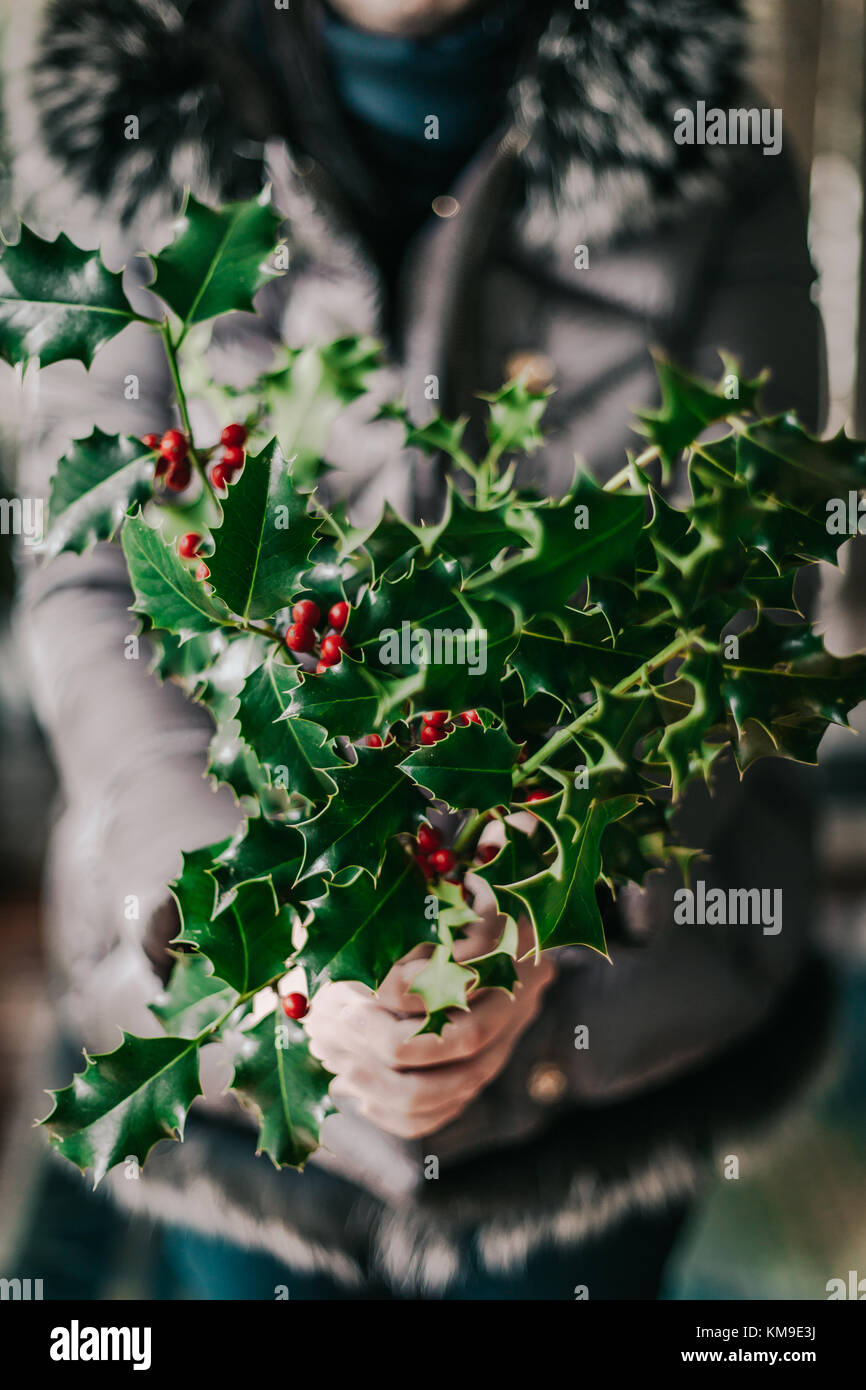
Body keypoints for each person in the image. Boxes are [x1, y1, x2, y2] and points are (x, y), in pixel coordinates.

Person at [9, 0, 829, 1299]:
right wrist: (257, 936)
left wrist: (541, 890)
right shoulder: (114, 130)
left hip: (597, 1054)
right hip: (238, 1063)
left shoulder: (708, 143)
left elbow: (745, 586)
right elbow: (91, 579)